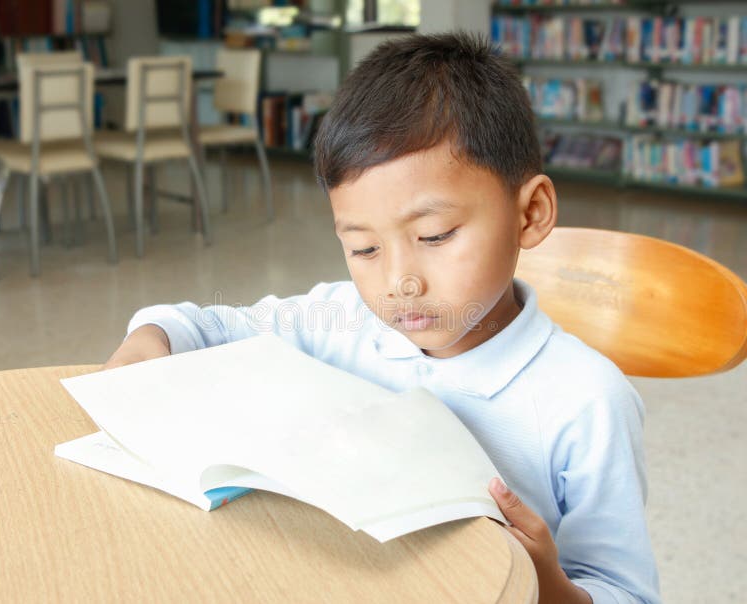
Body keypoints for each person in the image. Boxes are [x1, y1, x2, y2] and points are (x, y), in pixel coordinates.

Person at [104, 32, 660, 603]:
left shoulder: (587, 403)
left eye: (434, 235)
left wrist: (551, 590)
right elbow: (207, 326)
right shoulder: (342, 320)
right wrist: (154, 335)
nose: (399, 282)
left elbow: (626, 591)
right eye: (365, 249)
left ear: (531, 213)